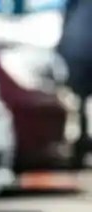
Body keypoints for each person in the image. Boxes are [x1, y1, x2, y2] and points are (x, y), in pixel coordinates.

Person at [61, 0, 92, 167]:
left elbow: (66, 17)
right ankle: (81, 144)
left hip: (75, 51)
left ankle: (78, 147)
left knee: (78, 102)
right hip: (80, 50)